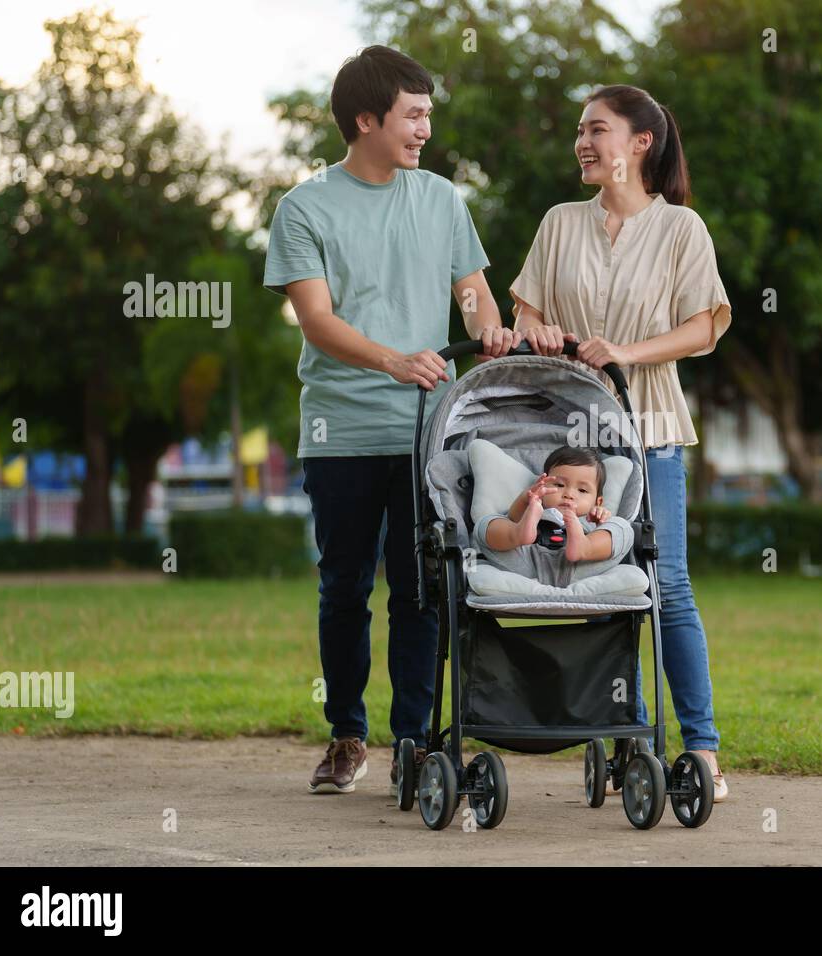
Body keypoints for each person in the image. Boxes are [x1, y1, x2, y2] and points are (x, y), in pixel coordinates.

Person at [262, 45, 521, 794]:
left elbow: (471, 292)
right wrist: (394, 362)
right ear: (366, 120)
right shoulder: (304, 207)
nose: (425, 130)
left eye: (428, 114)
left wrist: (490, 329)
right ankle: (347, 734)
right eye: (413, 115)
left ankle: (415, 740)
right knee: (345, 589)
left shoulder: (440, 199)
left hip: (430, 434)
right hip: (341, 432)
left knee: (421, 590)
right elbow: (317, 321)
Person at [510, 84, 733, 801]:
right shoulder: (559, 222)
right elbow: (525, 316)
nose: (583, 141)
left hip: (651, 427)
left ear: (641, 143)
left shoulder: (681, 229)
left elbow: (703, 327)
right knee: (602, 588)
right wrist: (539, 331)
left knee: (665, 585)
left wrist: (626, 353)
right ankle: (629, 735)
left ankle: (701, 747)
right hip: (573, 437)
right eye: (580, 130)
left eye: (596, 129)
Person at [474, 446, 632, 586]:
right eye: (559, 485)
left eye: (582, 490)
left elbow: (608, 533)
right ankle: (518, 534)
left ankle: (585, 547)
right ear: (542, 486)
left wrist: (603, 520)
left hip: (579, 566)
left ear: (597, 501)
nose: (569, 494)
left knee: (622, 527)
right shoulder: (536, 510)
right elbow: (513, 519)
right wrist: (525, 499)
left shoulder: (591, 518)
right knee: (486, 523)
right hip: (528, 561)